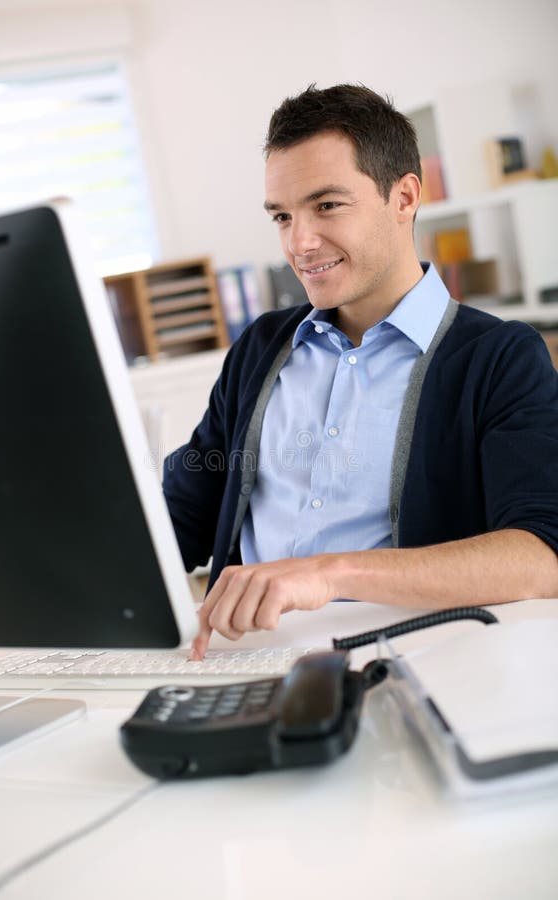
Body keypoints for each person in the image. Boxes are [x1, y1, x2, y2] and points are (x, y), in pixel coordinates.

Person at [162, 83, 558, 659]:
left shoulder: (499, 356)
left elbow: (541, 556)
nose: (299, 243)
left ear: (404, 198)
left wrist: (329, 574)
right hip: (243, 659)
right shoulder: (261, 348)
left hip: (415, 661)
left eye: (326, 206)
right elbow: (183, 510)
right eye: (282, 216)